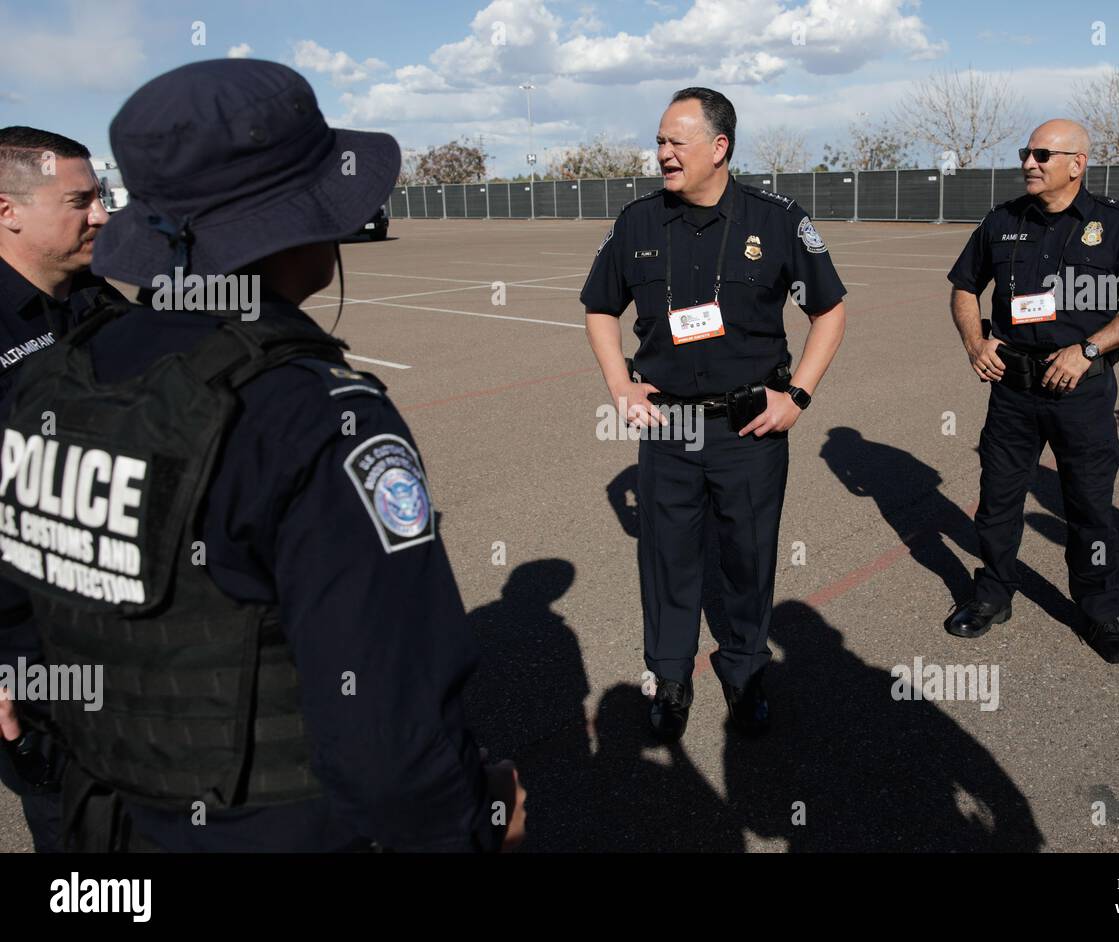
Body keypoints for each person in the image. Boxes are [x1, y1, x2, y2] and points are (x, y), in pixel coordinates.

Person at [0, 59, 524, 851]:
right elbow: (388, 721)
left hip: (98, 828)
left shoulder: (64, 372)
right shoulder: (317, 414)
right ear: (296, 223)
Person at [581, 87, 847, 740]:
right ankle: (671, 681)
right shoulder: (637, 223)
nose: (663, 153)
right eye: (660, 141)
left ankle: (746, 670)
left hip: (748, 428)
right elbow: (597, 307)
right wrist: (621, 385)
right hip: (668, 426)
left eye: (677, 141)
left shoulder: (778, 221)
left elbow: (830, 311)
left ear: (719, 147)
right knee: (668, 560)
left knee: (747, 559)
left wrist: (798, 396)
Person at [944, 118, 1119, 663]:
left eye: (1043, 154)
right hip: (1013, 391)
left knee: (1089, 506)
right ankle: (993, 596)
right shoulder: (1002, 222)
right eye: (1026, 152)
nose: (1029, 163)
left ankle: (1098, 612)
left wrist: (1088, 348)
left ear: (1077, 163)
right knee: (997, 502)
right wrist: (976, 344)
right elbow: (964, 287)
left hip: (1080, 394)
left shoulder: (1114, 226)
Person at [0, 125, 119, 851]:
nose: (101, 214)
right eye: (80, 201)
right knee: (78, 826)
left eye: (100, 197)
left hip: (124, 630)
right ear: (6, 210)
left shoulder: (96, 298)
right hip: (31, 650)